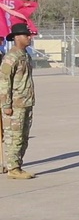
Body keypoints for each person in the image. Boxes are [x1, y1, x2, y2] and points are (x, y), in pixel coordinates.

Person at [1, 23, 36, 179]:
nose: (29, 38)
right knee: (14, 137)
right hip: (15, 105)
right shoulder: (11, 57)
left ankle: (18, 166)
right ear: (16, 37)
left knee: (23, 136)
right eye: (26, 35)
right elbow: (4, 82)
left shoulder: (25, 54)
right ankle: (13, 168)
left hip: (26, 102)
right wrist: (6, 105)